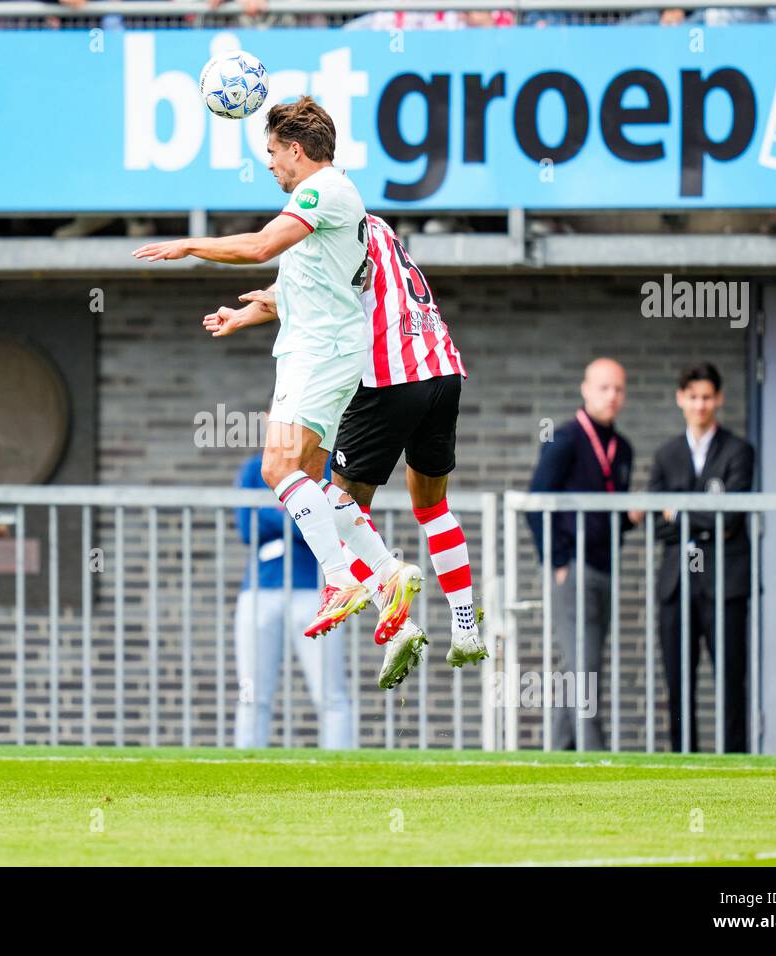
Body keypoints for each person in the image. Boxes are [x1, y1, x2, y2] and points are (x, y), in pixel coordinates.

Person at [133, 96, 422, 645]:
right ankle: (388, 573)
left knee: (275, 469)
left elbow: (262, 246)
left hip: (319, 354)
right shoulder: (329, 203)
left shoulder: (323, 189)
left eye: (272, 152)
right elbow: (308, 288)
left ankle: (340, 580)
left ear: (296, 149)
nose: (269, 163)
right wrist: (245, 315)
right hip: (329, 349)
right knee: (314, 482)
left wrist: (190, 244)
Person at [204, 212, 484, 690]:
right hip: (443, 367)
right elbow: (315, 292)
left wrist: (199, 255)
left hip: (389, 374)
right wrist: (254, 309)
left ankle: (395, 613)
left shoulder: (325, 231)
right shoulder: (377, 226)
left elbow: (312, 297)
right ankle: (465, 628)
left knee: (336, 499)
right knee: (433, 506)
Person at [526, 358, 635, 750]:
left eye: (619, 389)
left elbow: (609, 514)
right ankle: (595, 753)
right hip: (571, 568)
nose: (612, 396)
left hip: (604, 567)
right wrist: (556, 562)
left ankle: (559, 751)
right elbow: (536, 502)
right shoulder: (564, 438)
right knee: (584, 666)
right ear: (585, 389)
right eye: (604, 387)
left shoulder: (622, 448)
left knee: (578, 664)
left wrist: (630, 518)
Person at [648, 363, 754, 753]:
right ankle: (683, 760)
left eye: (707, 397)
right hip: (676, 584)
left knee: (730, 678)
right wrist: (704, 517)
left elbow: (731, 518)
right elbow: (657, 527)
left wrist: (680, 514)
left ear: (719, 399)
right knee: (678, 681)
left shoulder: (739, 451)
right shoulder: (666, 454)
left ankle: (734, 759)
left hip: (725, 583)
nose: (700, 405)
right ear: (681, 399)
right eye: (693, 397)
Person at [233, 453, 352, 748]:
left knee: (330, 694)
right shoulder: (253, 469)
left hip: (315, 592)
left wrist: (272, 513)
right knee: (251, 693)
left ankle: (342, 776)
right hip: (259, 592)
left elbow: (326, 527)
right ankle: (244, 776)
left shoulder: (325, 466)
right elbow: (246, 526)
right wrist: (297, 513)